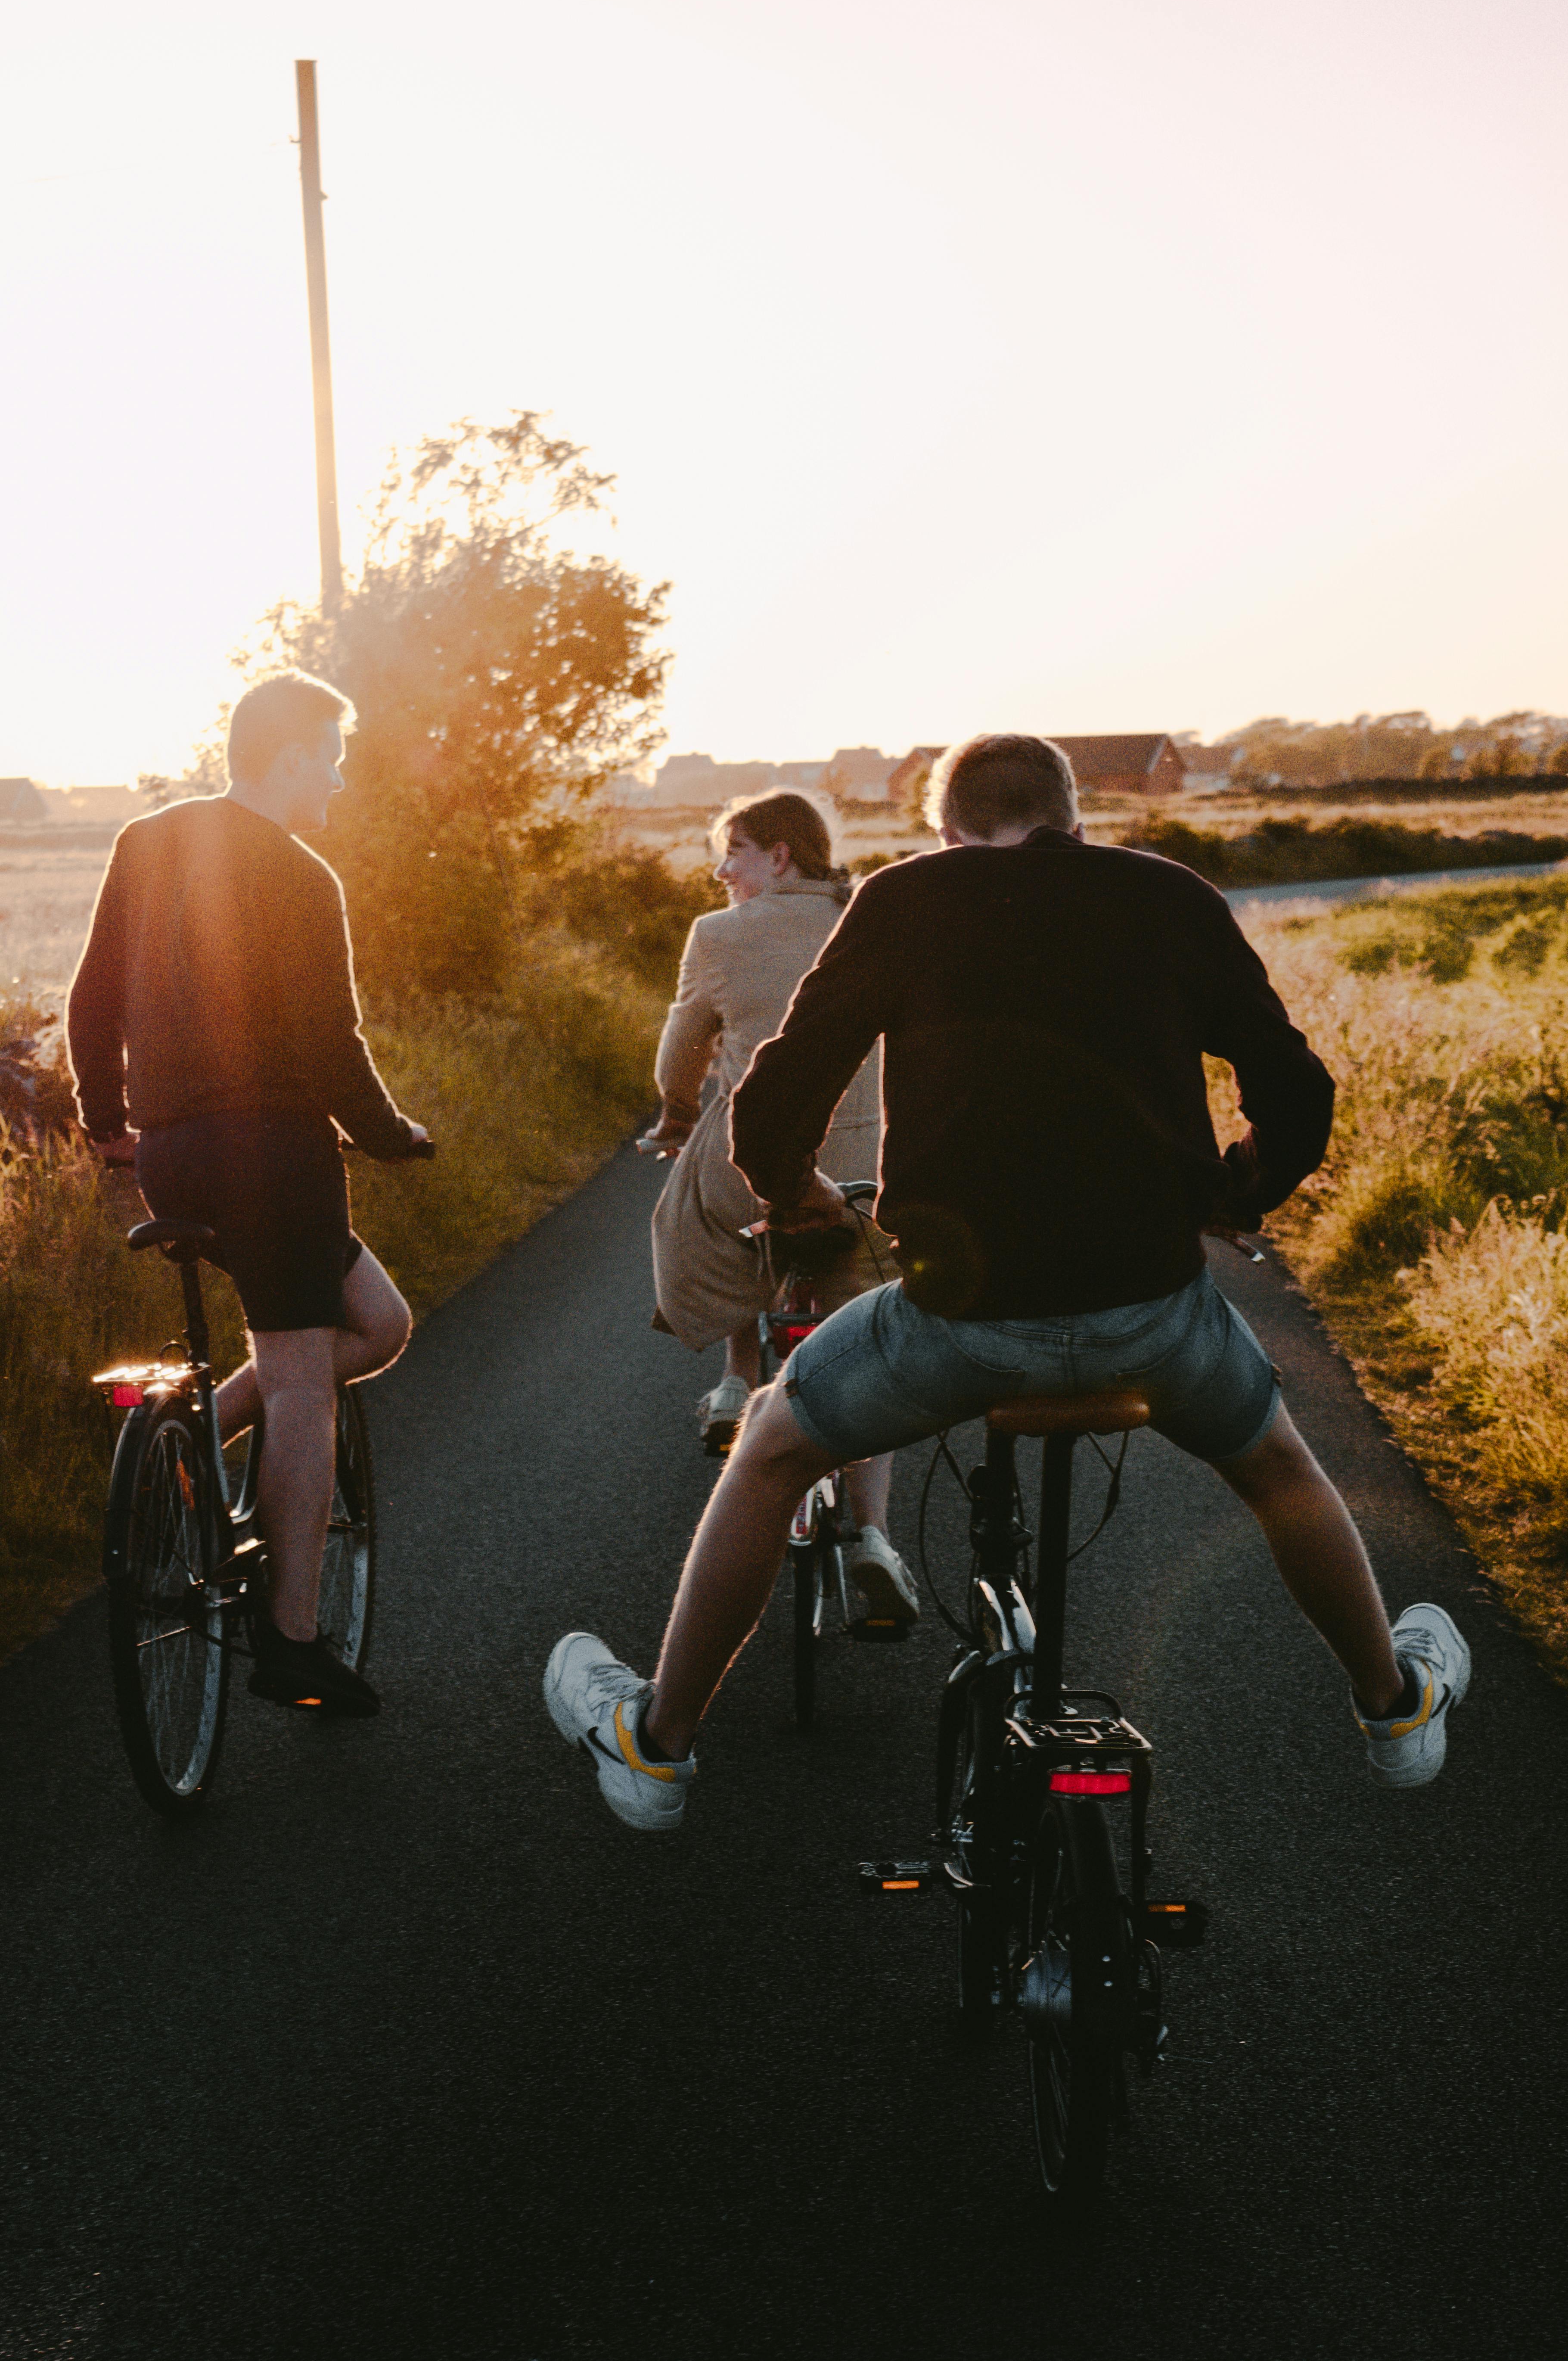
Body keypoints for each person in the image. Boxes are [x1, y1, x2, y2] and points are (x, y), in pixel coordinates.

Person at [544, 731, 1470, 1831]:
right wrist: (1233, 1195)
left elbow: (777, 1093)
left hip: (957, 1324)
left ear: (948, 831)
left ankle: (660, 1747)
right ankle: (1395, 1711)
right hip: (1155, 1316)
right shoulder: (1168, 896)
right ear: (1075, 820)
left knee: (773, 1443)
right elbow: (1297, 1089)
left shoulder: (904, 899)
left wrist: (799, 1196)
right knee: (1277, 1465)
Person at [67, 671, 428, 1717]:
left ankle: (188, 1447)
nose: (341, 775)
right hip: (274, 1158)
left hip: (174, 1152)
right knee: (308, 1379)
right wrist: (389, 1136)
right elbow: (331, 1045)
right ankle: (294, 1637)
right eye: (331, 754)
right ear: (284, 756)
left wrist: (106, 1124)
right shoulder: (305, 878)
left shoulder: (149, 840)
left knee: (383, 1322)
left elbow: (92, 994)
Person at [641, 788, 917, 1622]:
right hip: (867, 1168)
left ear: (781, 854)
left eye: (734, 851)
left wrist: (676, 1112)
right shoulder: (877, 917)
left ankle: (735, 1380)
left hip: (752, 1169)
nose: (722, 870)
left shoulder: (719, 935)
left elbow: (680, 1048)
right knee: (868, 1346)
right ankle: (872, 1536)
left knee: (715, 1193)